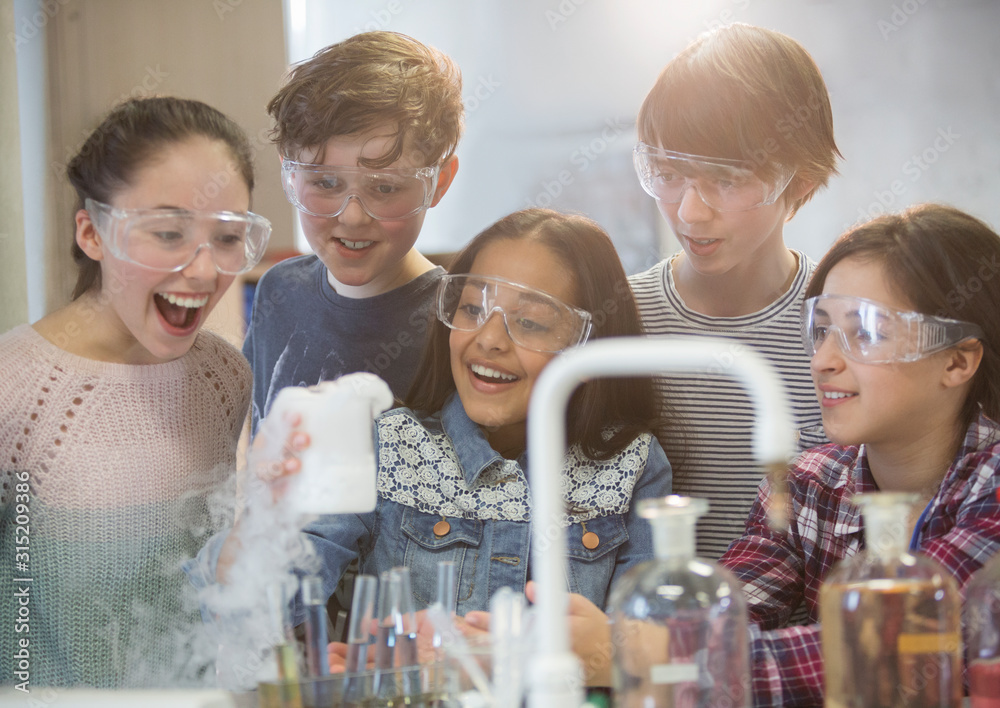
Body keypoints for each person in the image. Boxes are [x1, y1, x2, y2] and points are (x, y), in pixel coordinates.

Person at [538, 203, 1000, 706]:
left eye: (866, 332)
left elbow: (891, 645)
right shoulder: (808, 484)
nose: (823, 360)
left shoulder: (992, 488)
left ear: (957, 360)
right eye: (820, 328)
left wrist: (639, 656)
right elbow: (730, 612)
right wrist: (601, 638)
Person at [193, 208, 672, 619]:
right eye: (470, 309)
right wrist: (264, 523)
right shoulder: (387, 444)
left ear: (589, 349)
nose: (488, 338)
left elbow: (651, 645)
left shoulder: (633, 465)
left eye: (529, 322)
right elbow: (264, 605)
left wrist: (605, 648)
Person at [0, 97, 269, 687]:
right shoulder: (15, 390)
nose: (204, 272)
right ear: (93, 233)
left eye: (228, 238)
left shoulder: (226, 379)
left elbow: (199, 580)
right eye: (168, 232)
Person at [628, 23, 842, 559]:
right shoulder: (617, 321)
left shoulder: (843, 335)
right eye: (670, 174)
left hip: (799, 638)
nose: (690, 211)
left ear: (801, 181)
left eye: (726, 179)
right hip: (641, 631)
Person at [243, 30, 464, 435]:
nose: (354, 217)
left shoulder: (459, 325)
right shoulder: (279, 292)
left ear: (440, 181)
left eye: (384, 188)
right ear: (291, 172)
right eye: (326, 184)